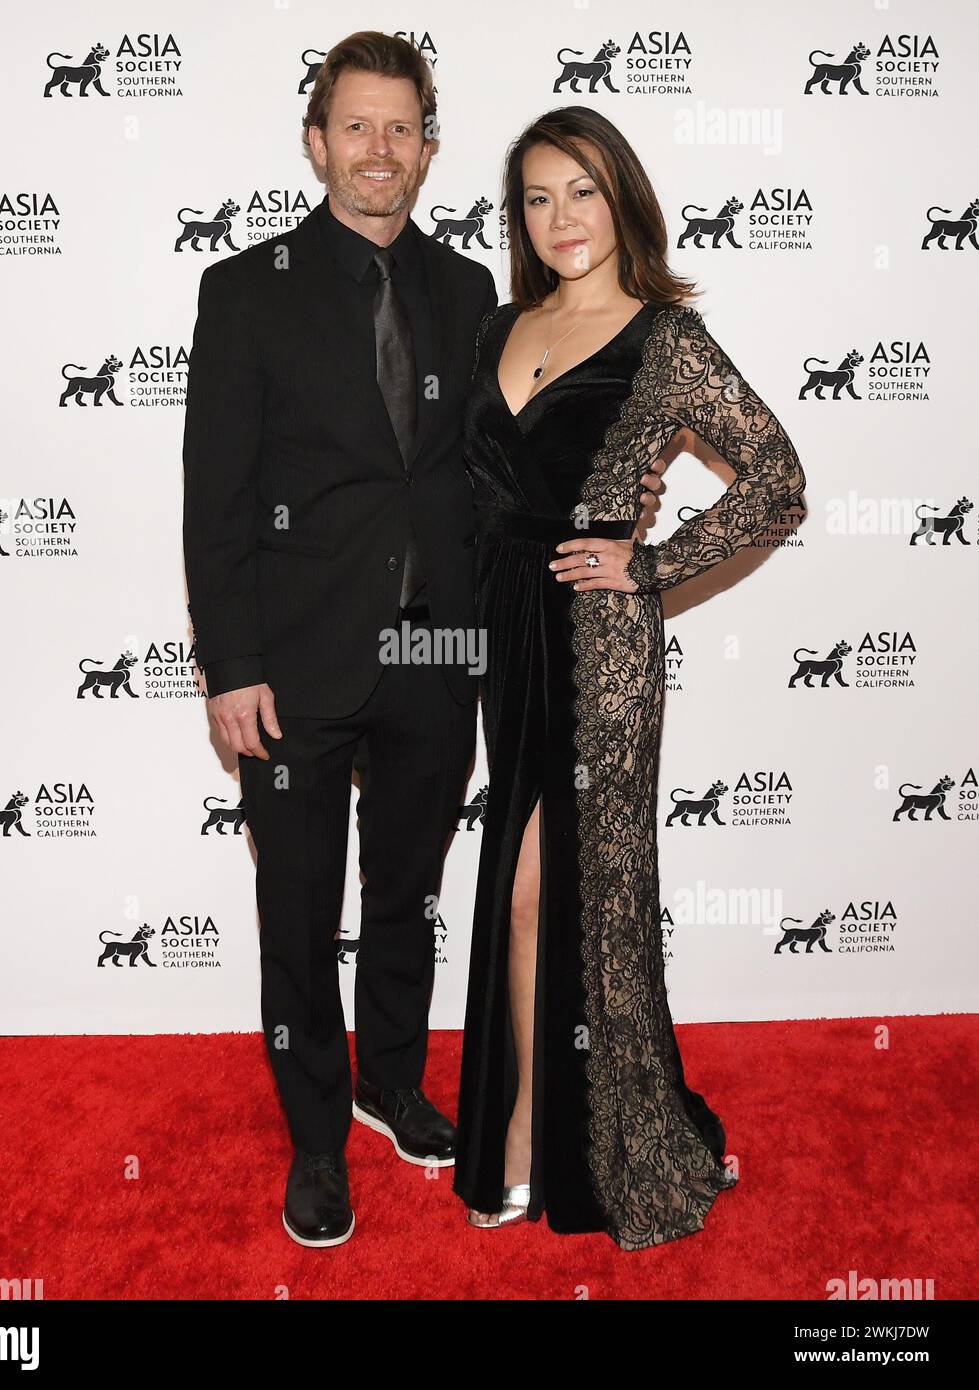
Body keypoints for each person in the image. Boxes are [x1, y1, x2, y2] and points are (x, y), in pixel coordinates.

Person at [181, 36, 666, 1249]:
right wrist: (229, 664)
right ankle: (312, 1143)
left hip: (438, 656)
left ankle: (388, 1081)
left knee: (403, 892)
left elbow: (524, 453)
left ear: (427, 147)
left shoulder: (468, 298)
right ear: (316, 141)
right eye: (356, 127)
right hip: (290, 666)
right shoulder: (246, 289)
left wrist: (620, 508)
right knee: (297, 908)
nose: (379, 150)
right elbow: (214, 499)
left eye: (401, 129)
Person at [453, 105, 806, 1249]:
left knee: (562, 898)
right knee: (527, 888)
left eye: (582, 192)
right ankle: (533, 1121)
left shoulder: (664, 337)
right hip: (508, 638)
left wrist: (650, 561)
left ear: (623, 200)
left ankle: (539, 1135)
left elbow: (775, 479)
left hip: (598, 647)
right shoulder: (501, 324)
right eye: (536, 198)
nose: (559, 219)